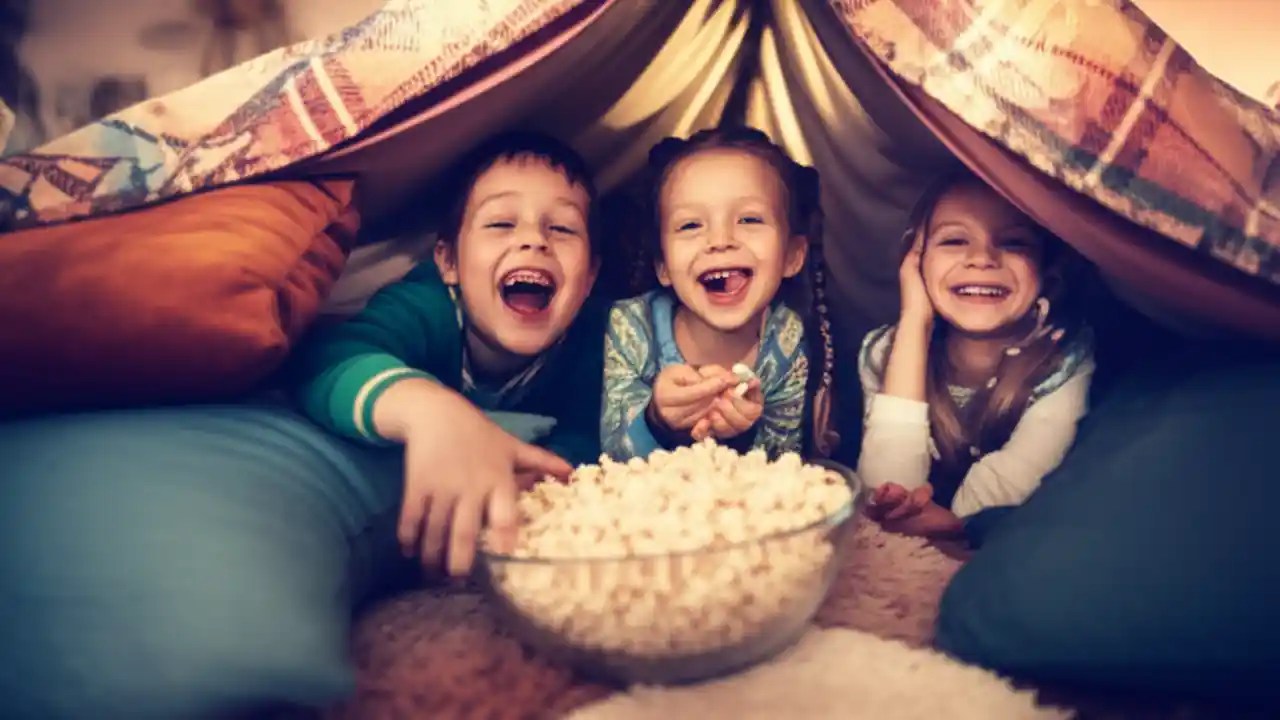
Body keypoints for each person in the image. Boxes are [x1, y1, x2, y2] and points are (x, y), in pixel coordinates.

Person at [287, 130, 608, 577]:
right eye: (501, 224)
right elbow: (329, 358)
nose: (535, 240)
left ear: (589, 278)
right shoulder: (427, 306)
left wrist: (546, 471)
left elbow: (595, 430)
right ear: (449, 263)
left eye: (562, 228)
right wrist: (431, 412)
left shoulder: (595, 339)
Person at [857, 172, 1095, 538]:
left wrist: (960, 526)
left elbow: (1015, 482)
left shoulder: (1065, 358)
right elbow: (887, 488)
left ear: (1047, 270)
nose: (982, 258)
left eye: (1014, 243)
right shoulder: (888, 352)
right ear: (916, 263)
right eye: (954, 240)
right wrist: (915, 322)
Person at [601, 126, 839, 461]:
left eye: (749, 219)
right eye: (691, 225)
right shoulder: (632, 327)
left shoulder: (786, 339)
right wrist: (658, 421)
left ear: (791, 255)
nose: (720, 239)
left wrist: (742, 432)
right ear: (663, 266)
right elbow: (613, 455)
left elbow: (784, 466)